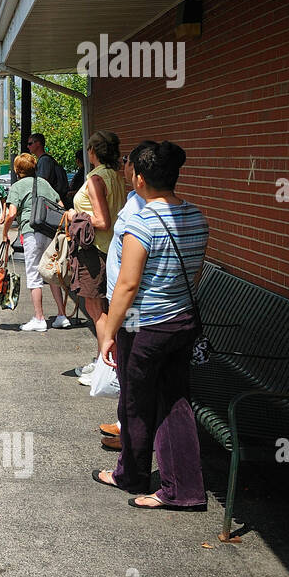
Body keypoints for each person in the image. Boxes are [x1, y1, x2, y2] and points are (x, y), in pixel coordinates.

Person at [92, 141, 208, 510]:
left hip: (145, 328)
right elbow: (195, 273)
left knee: (136, 405)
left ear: (139, 178)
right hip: (182, 322)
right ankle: (184, 488)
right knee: (175, 402)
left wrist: (109, 331)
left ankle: (133, 475)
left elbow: (127, 284)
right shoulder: (196, 216)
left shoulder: (142, 223)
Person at [98, 143, 154, 450]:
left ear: (139, 171)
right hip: (122, 296)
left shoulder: (142, 210)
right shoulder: (134, 199)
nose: (124, 167)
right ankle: (125, 423)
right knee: (128, 368)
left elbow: (130, 282)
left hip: (131, 303)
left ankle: (130, 434)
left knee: (130, 367)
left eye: (127, 162)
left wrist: (111, 329)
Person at [64, 131, 127, 384]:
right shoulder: (117, 176)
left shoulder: (95, 179)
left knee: (95, 308)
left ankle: (106, 366)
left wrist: (73, 216)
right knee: (103, 308)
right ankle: (106, 359)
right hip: (112, 248)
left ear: (93, 152)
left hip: (95, 251)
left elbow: (101, 220)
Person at [1, 152, 69, 332]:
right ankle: (62, 315)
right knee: (51, 272)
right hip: (49, 231)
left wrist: (5, 232)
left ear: (17, 169)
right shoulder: (44, 183)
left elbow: (12, 213)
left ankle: (39, 318)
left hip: (31, 232)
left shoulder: (17, 186)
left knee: (33, 274)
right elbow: (60, 205)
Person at [27, 132, 70, 199]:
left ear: (38, 143)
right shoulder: (46, 159)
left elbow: (42, 184)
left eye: (30, 144)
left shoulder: (44, 161)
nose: (28, 146)